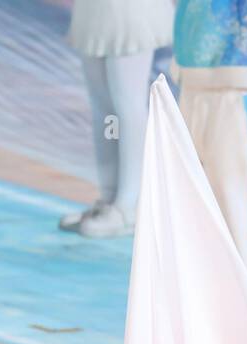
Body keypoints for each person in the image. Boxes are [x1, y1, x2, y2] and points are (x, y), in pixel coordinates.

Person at [174, 0, 247, 306]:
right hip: (189, 92)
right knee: (186, 236)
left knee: (243, 239)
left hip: (238, 100)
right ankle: (198, 343)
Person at [62, 0, 174, 237]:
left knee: (128, 104)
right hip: (94, 11)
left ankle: (129, 206)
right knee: (105, 110)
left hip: (130, 11)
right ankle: (109, 197)